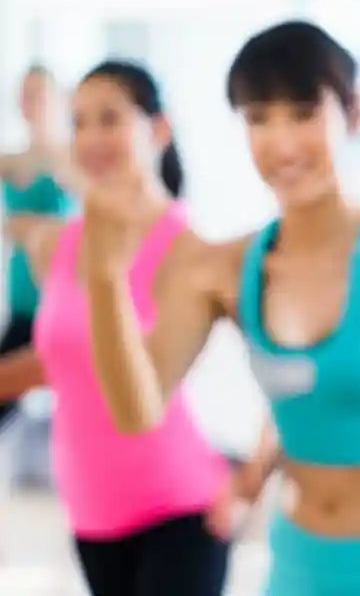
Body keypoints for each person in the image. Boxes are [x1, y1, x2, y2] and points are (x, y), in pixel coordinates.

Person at [82, 21, 360, 595]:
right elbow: (136, 411)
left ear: (353, 112)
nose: (283, 143)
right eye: (259, 119)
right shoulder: (227, 269)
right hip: (296, 564)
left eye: (302, 114)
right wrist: (104, 279)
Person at [1, 60, 239, 596]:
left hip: (176, 512)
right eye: (79, 122)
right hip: (90, 518)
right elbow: (62, 361)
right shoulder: (59, 244)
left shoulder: (190, 250)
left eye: (110, 119)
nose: (90, 138)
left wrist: (254, 478)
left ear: (159, 128)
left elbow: (289, 361)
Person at [0, 65, 78, 430]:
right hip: (22, 296)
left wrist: (29, 228)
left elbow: (90, 221)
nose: (29, 102)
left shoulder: (72, 158)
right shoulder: (10, 159)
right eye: (24, 94)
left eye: (38, 94)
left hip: (60, 299)